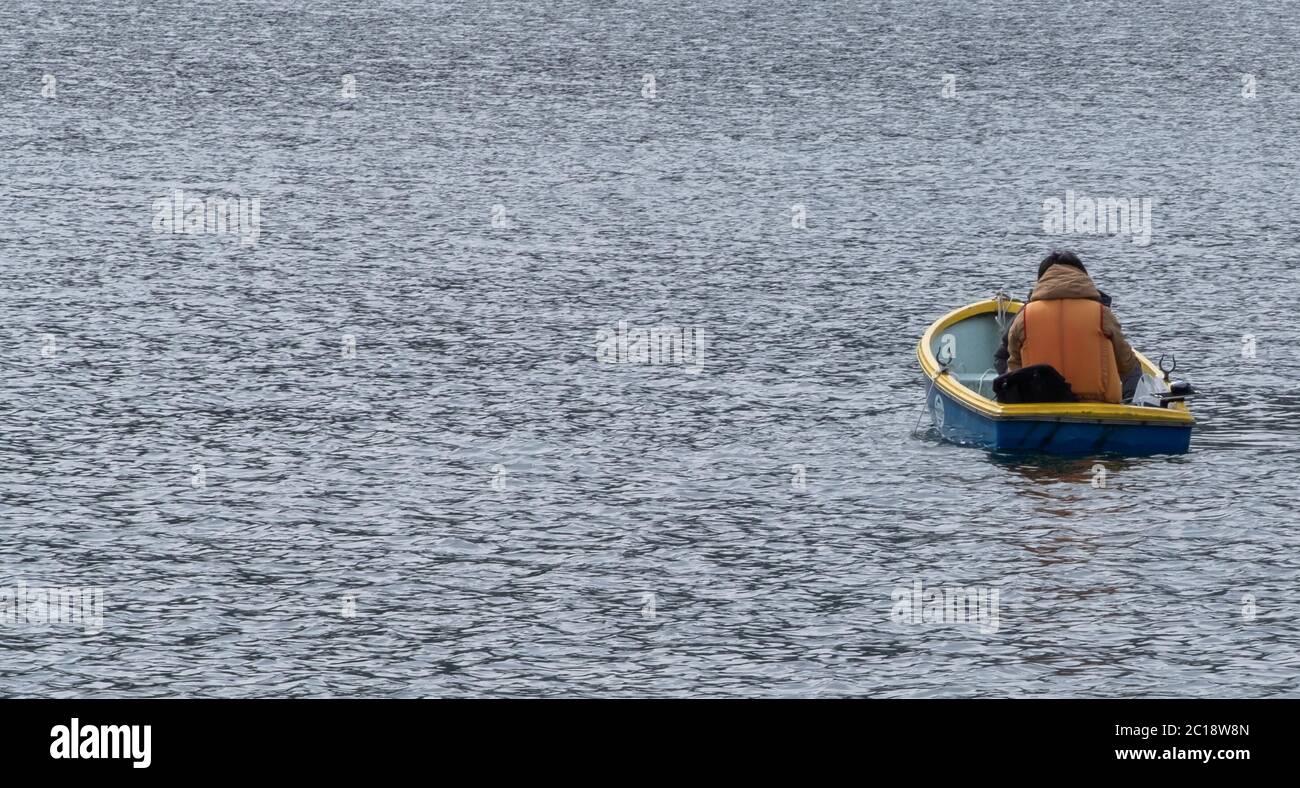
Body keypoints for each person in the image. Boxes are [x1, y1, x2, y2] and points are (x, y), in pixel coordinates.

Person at [1000, 251, 1139, 404]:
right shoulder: (1102, 313)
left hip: (1039, 405)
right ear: (1082, 276)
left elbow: (1013, 367)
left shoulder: (1024, 316)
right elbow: (1127, 363)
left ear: (1042, 280)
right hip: (1099, 408)